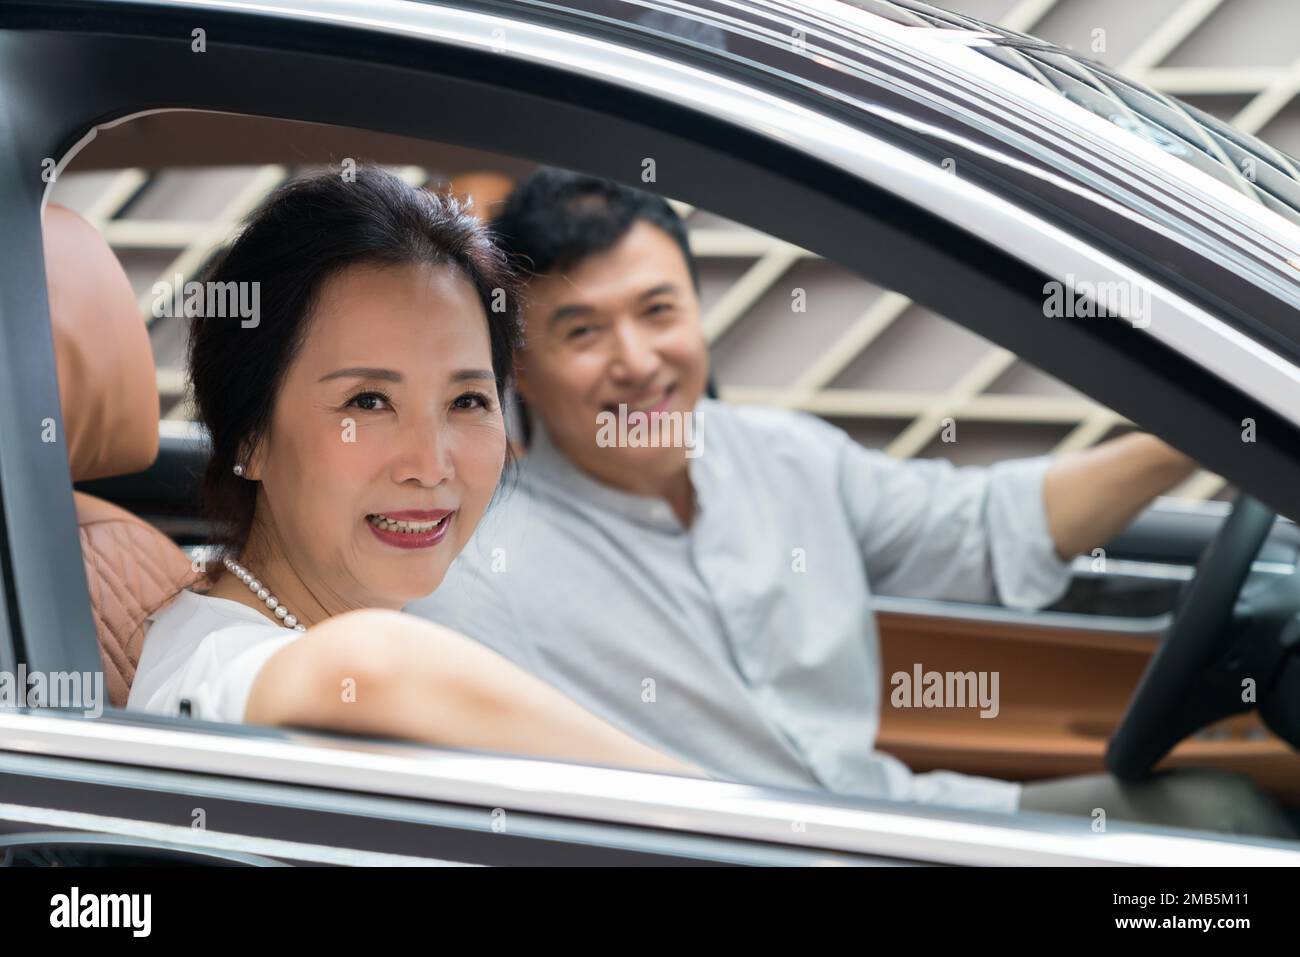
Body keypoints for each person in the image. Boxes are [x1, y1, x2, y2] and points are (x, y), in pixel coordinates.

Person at [407, 168, 1296, 838]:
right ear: (519, 365)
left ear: (697, 316)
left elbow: (989, 528)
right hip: (751, 856)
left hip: (902, 821)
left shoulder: (785, 457)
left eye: (659, 310)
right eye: (582, 330)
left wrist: (1204, 428)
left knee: (1222, 811)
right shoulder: (477, 567)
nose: (636, 359)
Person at [127, 166, 695, 777]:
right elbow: (373, 670)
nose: (430, 465)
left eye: (467, 401)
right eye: (368, 402)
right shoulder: (218, 662)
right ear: (251, 435)